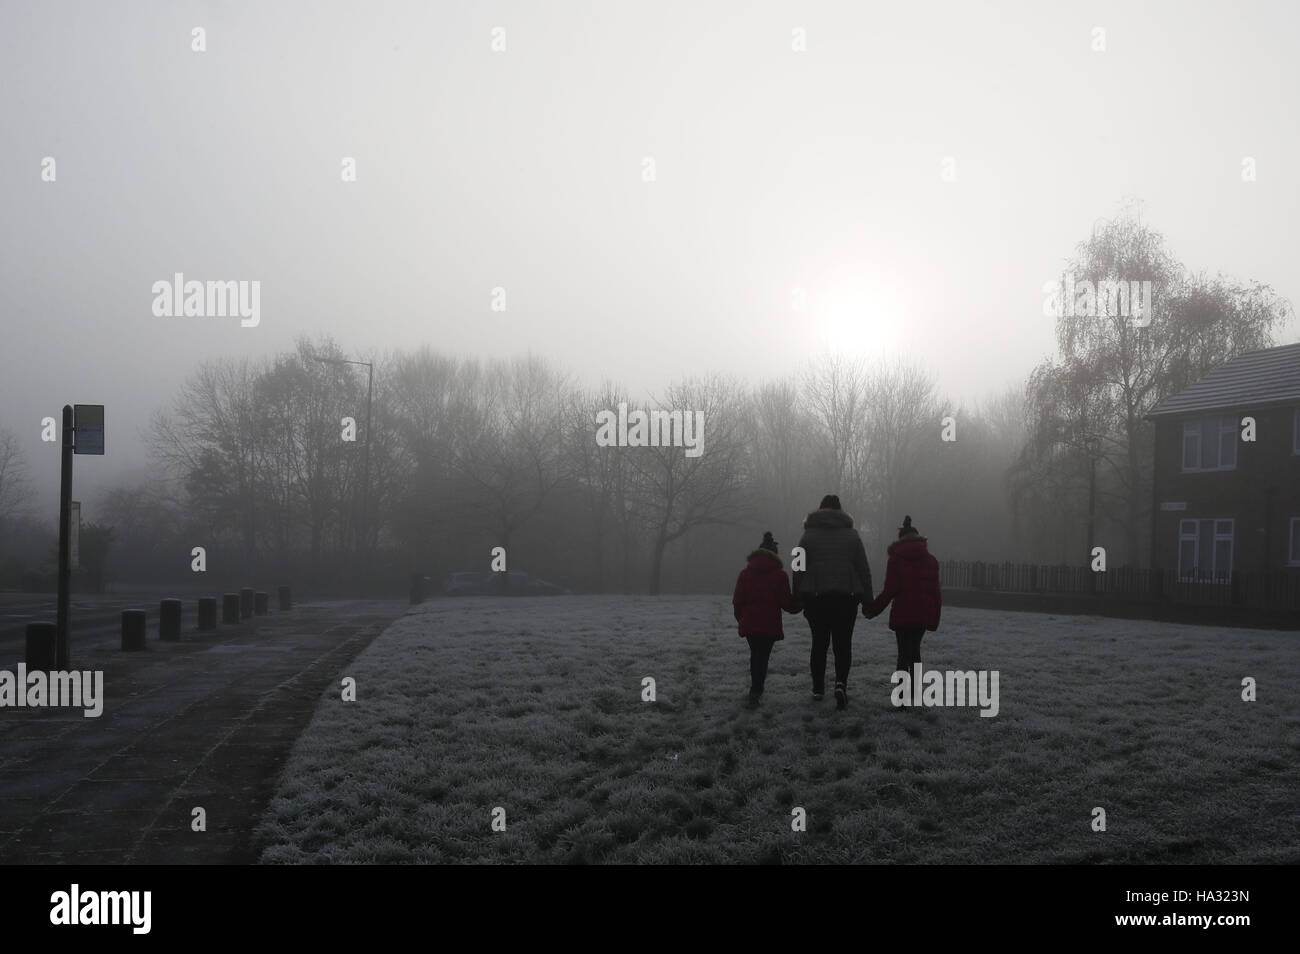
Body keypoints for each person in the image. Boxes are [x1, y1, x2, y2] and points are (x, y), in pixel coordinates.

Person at [792, 495, 873, 710]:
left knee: (819, 643)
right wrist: (868, 600)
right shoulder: (853, 536)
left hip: (815, 598)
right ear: (841, 512)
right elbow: (863, 570)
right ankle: (840, 684)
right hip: (846, 598)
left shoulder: (807, 536)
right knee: (842, 644)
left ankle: (818, 688)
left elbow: (797, 567)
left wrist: (796, 596)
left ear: (819, 510)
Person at [863, 515, 942, 682]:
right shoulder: (931, 561)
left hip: (903, 613)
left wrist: (872, 609)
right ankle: (914, 692)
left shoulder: (896, 559)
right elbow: (935, 593)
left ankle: (902, 697)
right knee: (915, 652)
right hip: (922, 613)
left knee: (903, 655)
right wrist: (934, 619)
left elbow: (889, 591)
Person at [732, 531, 802, 707]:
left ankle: (755, 689)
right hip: (769, 625)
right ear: (775, 555)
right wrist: (800, 604)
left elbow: (737, 601)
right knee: (763, 657)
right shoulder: (780, 575)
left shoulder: (744, 574)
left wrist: (741, 619)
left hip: (749, 623)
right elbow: (787, 603)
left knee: (755, 654)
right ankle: (757, 689)